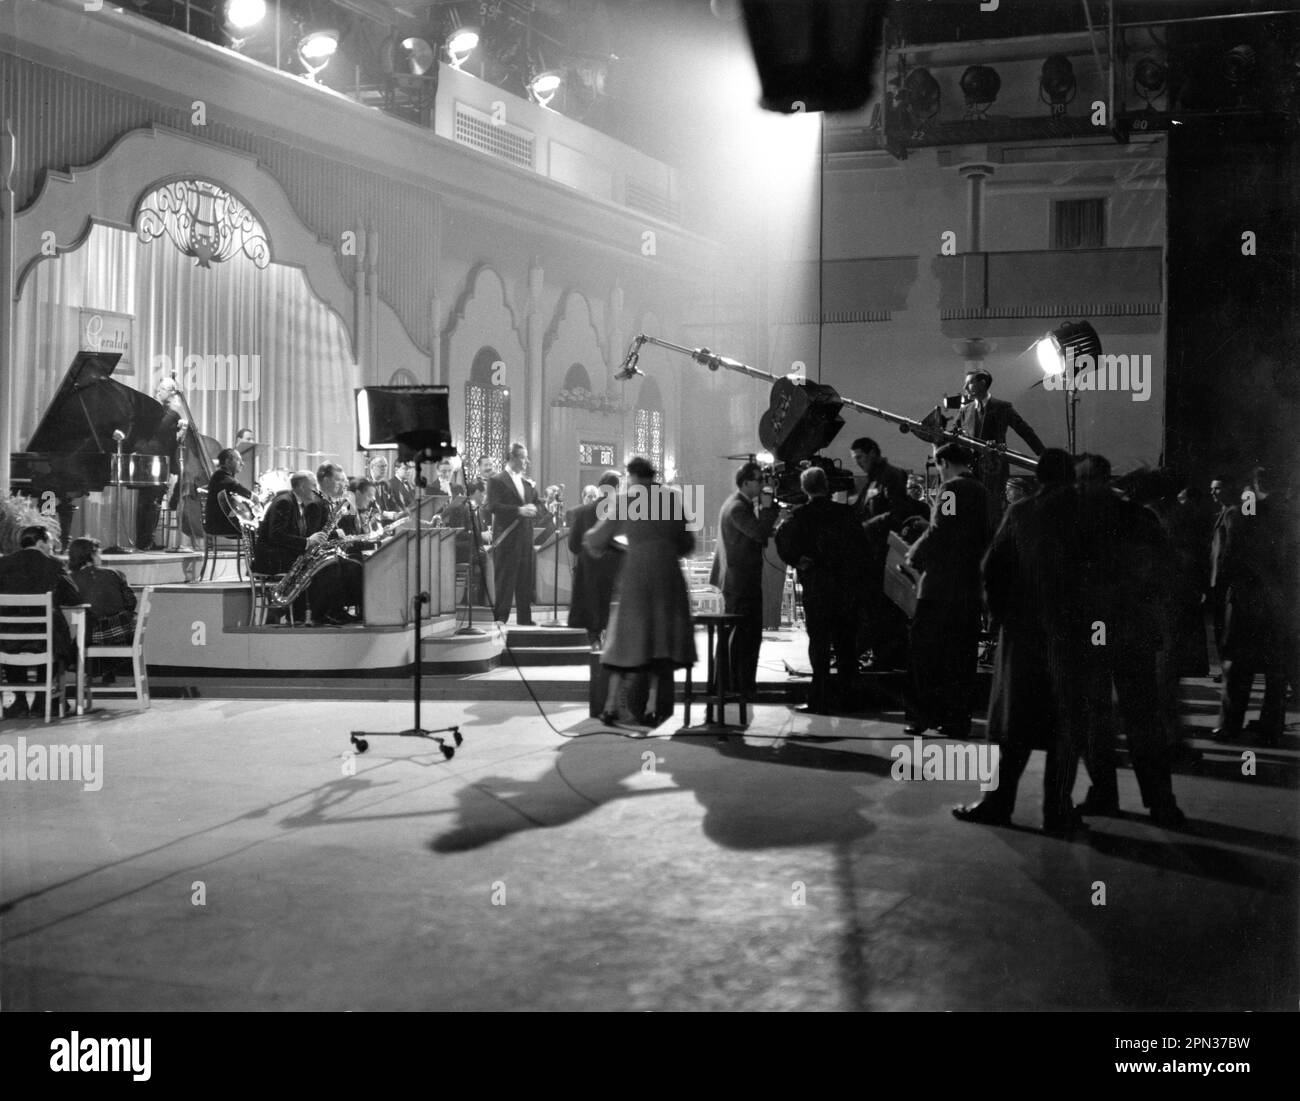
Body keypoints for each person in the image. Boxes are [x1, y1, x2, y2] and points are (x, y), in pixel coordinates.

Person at [586, 457, 695, 726]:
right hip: (669, 577)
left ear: (631, 475)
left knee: (625, 643)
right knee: (660, 645)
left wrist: (608, 545)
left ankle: (611, 706)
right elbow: (687, 542)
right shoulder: (671, 499)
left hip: (638, 578)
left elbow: (597, 538)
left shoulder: (627, 499)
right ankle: (651, 707)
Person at [903, 443, 991, 737]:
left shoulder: (952, 489)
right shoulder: (982, 491)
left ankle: (921, 716)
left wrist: (914, 553)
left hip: (940, 587)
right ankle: (956, 719)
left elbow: (942, 527)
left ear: (943, 463)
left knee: (924, 651)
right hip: (969, 588)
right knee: (961, 656)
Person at [775, 466, 869, 714]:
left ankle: (820, 698)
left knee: (819, 643)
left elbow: (781, 541)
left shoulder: (800, 516)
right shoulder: (845, 513)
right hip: (845, 588)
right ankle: (851, 698)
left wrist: (797, 559)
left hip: (817, 587)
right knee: (845, 644)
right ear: (827, 486)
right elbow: (862, 547)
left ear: (805, 489)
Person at [1213, 466, 1287, 746]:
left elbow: (1231, 556)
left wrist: (1223, 588)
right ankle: (1271, 727)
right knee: (1276, 669)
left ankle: (1231, 725)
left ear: (1257, 484)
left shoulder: (1243, 514)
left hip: (1247, 598)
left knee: (1238, 666)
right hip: (1283, 601)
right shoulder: (1291, 513)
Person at [848, 437, 920, 671]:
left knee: (884, 608)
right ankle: (882, 655)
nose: (858, 463)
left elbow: (899, 512)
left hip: (884, 552)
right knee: (874, 606)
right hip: (870, 552)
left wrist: (868, 526)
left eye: (859, 457)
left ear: (871, 453)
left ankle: (887, 658)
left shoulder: (891, 476)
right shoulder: (872, 481)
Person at [710, 460, 780, 697]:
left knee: (741, 636)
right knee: (744, 636)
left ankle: (734, 684)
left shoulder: (739, 504)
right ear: (746, 482)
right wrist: (772, 511)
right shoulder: (738, 507)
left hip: (739, 580)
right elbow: (757, 532)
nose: (762, 485)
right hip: (740, 582)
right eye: (759, 480)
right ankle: (737, 686)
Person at [253, 471, 358, 626]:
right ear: (302, 486)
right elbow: (276, 535)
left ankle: (317, 613)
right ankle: (317, 614)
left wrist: (313, 542)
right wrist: (307, 542)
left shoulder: (295, 503)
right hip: (272, 559)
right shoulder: (285, 502)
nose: (316, 489)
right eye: (313, 485)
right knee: (326, 568)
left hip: (282, 554)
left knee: (331, 564)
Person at [0, 525, 81, 718]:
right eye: (50, 541)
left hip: (7, 639)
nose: (52, 545)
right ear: (40, 542)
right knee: (55, 637)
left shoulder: (3, 564)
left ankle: (19, 701)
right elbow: (74, 598)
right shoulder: (53, 564)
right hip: (46, 639)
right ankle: (42, 700)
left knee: (14, 641)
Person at [954, 368, 1045, 527]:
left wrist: (1044, 456)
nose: (965, 387)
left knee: (993, 514)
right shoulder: (965, 411)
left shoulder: (1002, 407)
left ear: (982, 384)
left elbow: (1025, 431)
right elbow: (952, 436)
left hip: (994, 472)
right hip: (970, 472)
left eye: (969, 383)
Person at [67, 537, 137, 684]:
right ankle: (106, 670)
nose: (100, 557)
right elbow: (131, 603)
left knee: (80, 629)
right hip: (120, 635)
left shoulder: (69, 579)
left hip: (87, 636)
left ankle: (91, 673)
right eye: (98, 553)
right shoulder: (115, 573)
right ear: (91, 555)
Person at [486, 443, 541, 625]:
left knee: (525, 578)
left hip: (525, 537)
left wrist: (535, 508)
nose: (527, 461)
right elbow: (493, 506)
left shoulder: (527, 482)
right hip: (507, 538)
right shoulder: (497, 480)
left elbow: (537, 505)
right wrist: (519, 510)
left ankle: (525, 619)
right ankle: (501, 617)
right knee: (505, 578)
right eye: (523, 457)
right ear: (512, 457)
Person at [568, 470, 622, 648]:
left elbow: (573, 545)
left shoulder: (582, 512)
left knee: (593, 613)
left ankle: (595, 639)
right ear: (616, 487)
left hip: (589, 573)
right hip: (616, 575)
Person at [135, 375, 187, 551]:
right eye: (158, 388)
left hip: (161, 460)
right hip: (151, 459)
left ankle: (147, 540)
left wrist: (179, 432)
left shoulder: (169, 413)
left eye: (163, 389)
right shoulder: (160, 411)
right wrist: (175, 412)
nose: (158, 390)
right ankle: (144, 541)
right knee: (148, 500)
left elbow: (167, 436)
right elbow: (161, 429)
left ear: (172, 392)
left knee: (153, 500)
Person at [204, 448, 254, 538]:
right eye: (238, 460)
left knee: (257, 524)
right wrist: (255, 497)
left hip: (223, 522)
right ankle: (256, 552)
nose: (242, 464)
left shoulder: (222, 475)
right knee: (258, 527)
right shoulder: (221, 476)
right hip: (219, 525)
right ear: (228, 461)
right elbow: (237, 487)